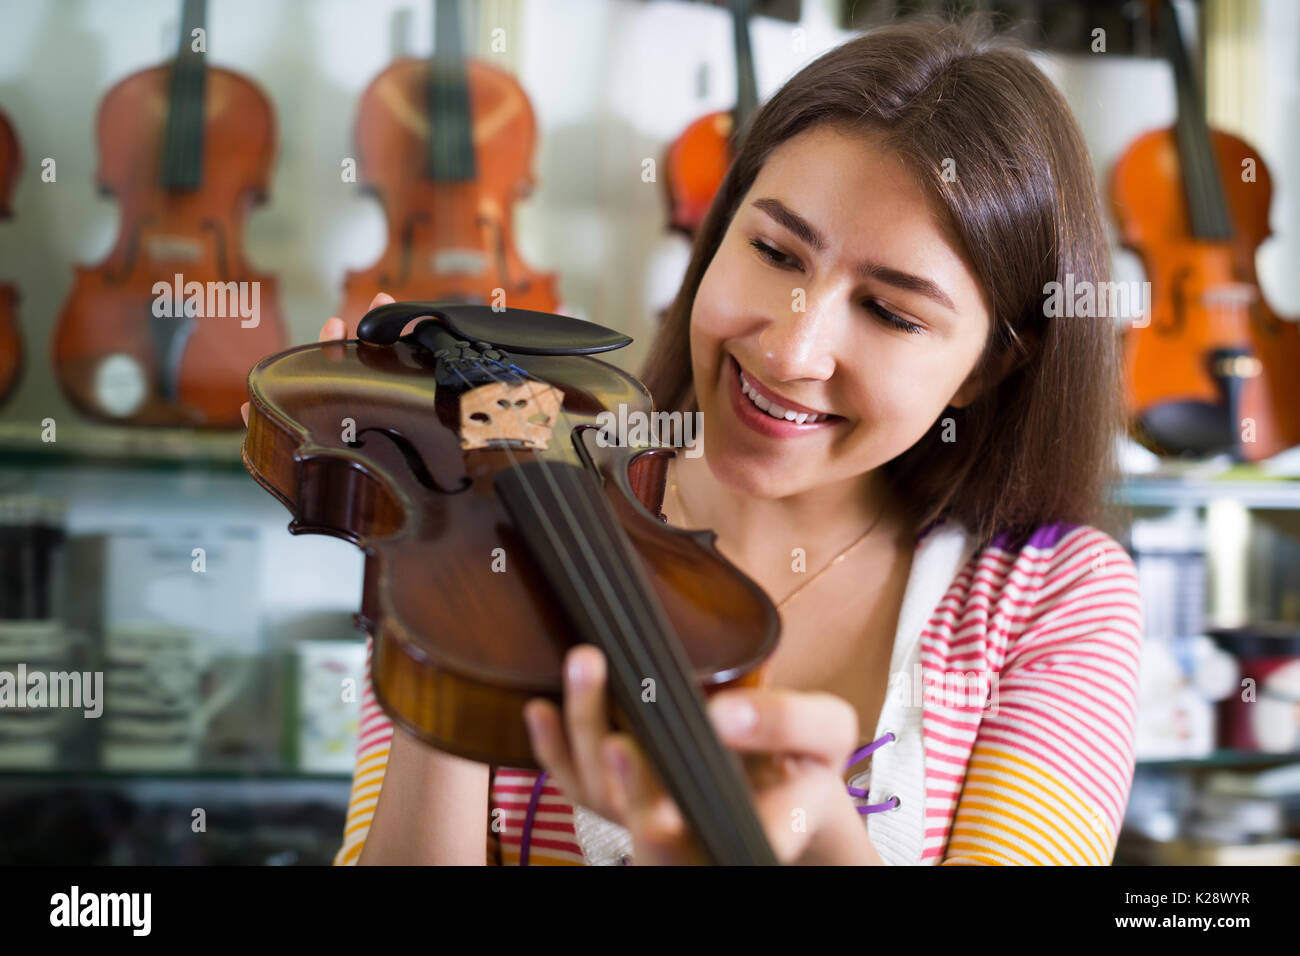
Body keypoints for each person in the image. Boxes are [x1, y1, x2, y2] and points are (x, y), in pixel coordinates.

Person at [251, 14, 1143, 865]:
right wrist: (438, 539)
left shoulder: (1051, 597)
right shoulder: (500, 514)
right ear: (716, 237)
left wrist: (820, 839)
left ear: (988, 368)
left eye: (888, 312)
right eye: (777, 253)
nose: (792, 350)